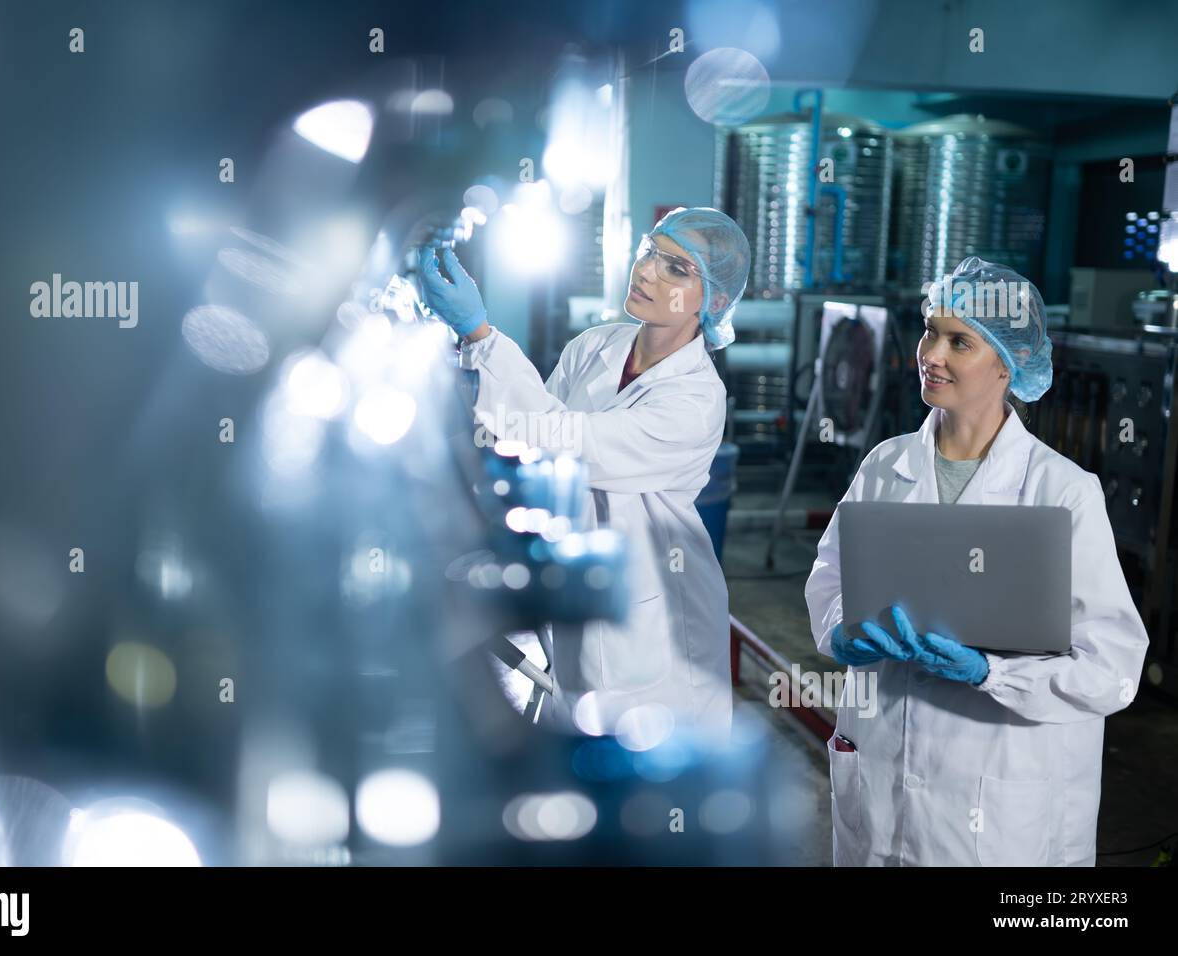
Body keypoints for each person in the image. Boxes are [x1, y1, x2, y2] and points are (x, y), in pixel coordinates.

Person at [805, 256, 1149, 866]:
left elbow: (1113, 667)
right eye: (930, 330)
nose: (931, 353)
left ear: (1006, 364)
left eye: (959, 341)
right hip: (878, 776)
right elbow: (829, 579)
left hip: (996, 806)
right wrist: (844, 629)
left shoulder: (1061, 490)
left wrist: (991, 673)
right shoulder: (885, 466)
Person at [418, 207, 751, 739]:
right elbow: (531, 446)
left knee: (650, 786)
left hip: (655, 629)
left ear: (711, 302)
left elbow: (567, 442)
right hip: (582, 596)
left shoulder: (696, 400)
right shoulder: (595, 347)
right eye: (650, 252)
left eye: (676, 269)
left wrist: (479, 333)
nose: (646, 272)